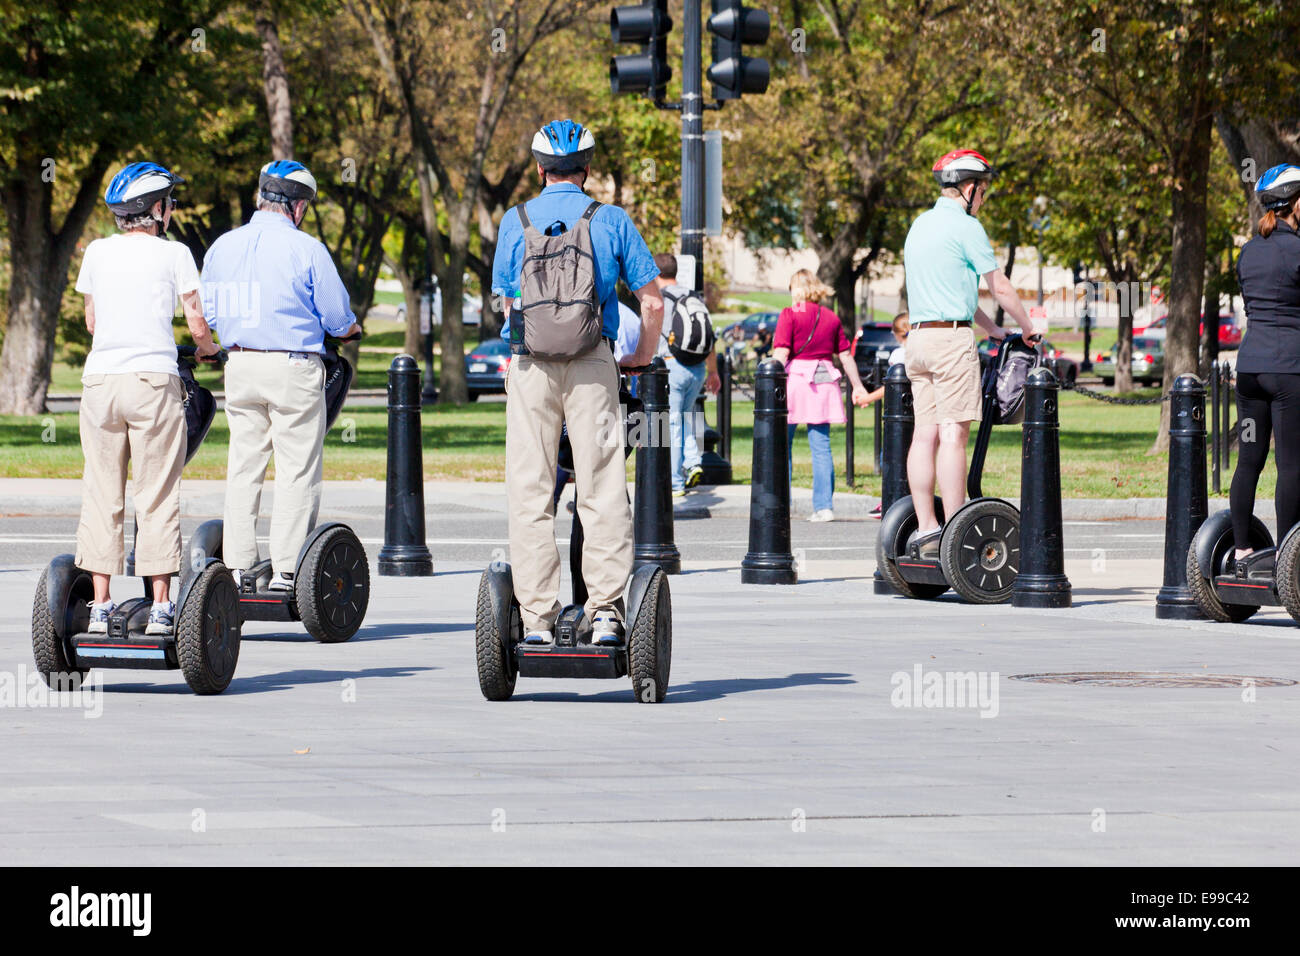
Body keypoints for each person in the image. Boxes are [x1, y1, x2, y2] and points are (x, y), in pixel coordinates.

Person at [492, 119, 663, 646]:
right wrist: (638, 356)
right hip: (594, 363)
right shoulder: (610, 218)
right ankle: (607, 612)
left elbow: (507, 302)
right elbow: (652, 301)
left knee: (531, 488)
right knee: (602, 486)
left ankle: (538, 617)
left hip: (530, 366)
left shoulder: (514, 219)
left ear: (540, 170)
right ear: (587, 170)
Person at [201, 160, 361, 591]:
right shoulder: (306, 249)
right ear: (298, 207)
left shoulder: (222, 247)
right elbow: (335, 315)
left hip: (239, 365)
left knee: (244, 465)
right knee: (296, 468)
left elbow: (210, 313)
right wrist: (350, 328)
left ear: (260, 196)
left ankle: (237, 568)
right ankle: (287, 570)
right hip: (292, 366)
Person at [73, 162, 218, 635]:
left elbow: (92, 323)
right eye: (169, 202)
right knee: (155, 494)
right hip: (153, 383)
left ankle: (98, 607)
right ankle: (159, 609)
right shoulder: (174, 253)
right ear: (155, 209)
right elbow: (196, 321)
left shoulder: (95, 251)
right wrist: (208, 348)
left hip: (100, 384)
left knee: (101, 494)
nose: (172, 209)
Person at [901, 149, 1040, 556]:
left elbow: (956, 294)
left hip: (919, 338)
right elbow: (998, 286)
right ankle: (957, 529)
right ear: (969, 187)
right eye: (983, 191)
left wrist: (995, 329)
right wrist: (1027, 327)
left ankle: (928, 527)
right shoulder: (966, 227)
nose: (983, 199)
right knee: (954, 433)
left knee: (924, 434)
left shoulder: (919, 226)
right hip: (950, 345)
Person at [1228, 163, 1300, 574]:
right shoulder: (1297, 250)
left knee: (1250, 460)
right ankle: (1291, 561)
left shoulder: (1248, 251)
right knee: (1291, 464)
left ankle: (1240, 552)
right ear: (1294, 203)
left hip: (1250, 371)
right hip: (1289, 373)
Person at [771, 269, 871, 522]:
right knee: (821, 447)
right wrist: (858, 386)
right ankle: (824, 506)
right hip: (824, 380)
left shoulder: (789, 314)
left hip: (796, 382)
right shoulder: (831, 317)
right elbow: (846, 357)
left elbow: (782, 352)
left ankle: (782, 503)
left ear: (797, 288)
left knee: (783, 445)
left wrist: (768, 377)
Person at [653, 254, 721, 497]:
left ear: (655, 271)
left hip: (671, 366)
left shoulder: (658, 299)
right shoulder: (693, 297)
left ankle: (674, 482)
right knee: (684, 418)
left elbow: (648, 334)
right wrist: (713, 372)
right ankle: (692, 462)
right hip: (697, 368)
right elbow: (710, 338)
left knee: (670, 423)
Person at [861, 312, 910, 518]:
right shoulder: (922, 351)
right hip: (918, 412)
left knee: (890, 458)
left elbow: (891, 386)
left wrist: (868, 398)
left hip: (898, 415)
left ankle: (889, 500)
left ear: (899, 333)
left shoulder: (899, 355)